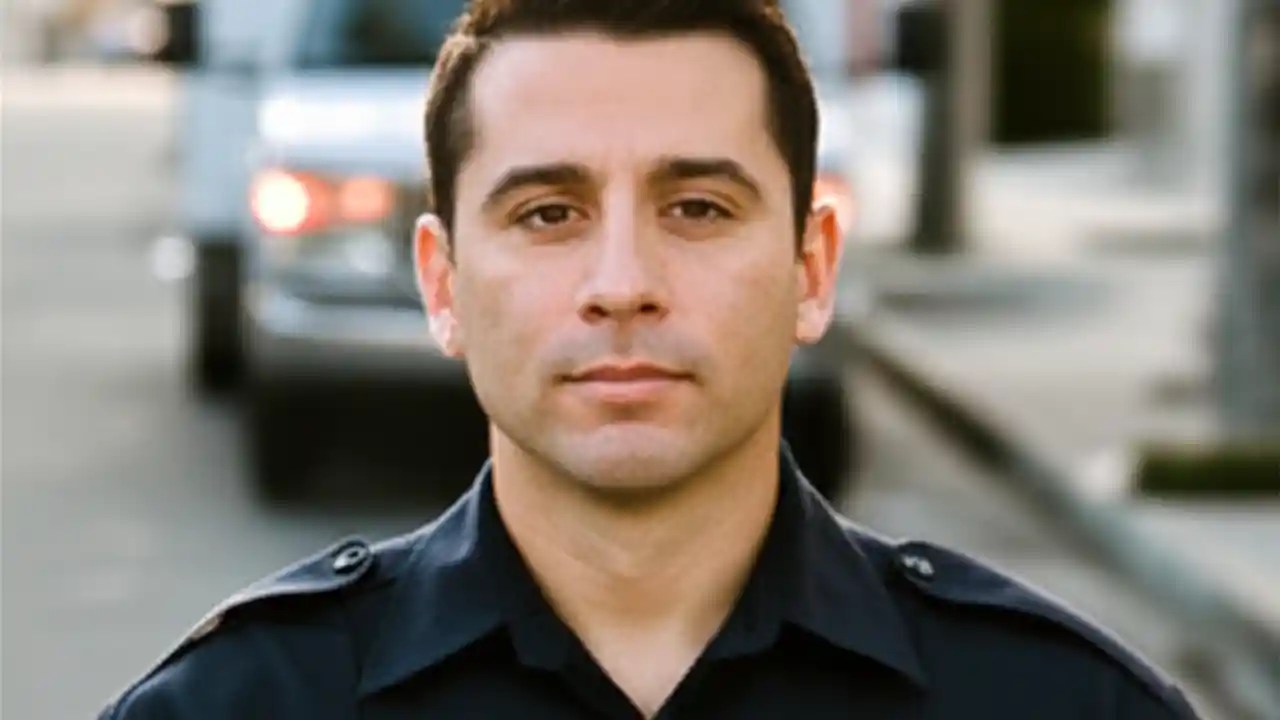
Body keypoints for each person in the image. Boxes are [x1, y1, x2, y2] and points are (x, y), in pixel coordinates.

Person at [99, 0, 1201, 717]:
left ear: (811, 265)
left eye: (696, 205)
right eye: (546, 214)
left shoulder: (1050, 703)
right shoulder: (241, 705)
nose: (620, 280)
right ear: (441, 284)